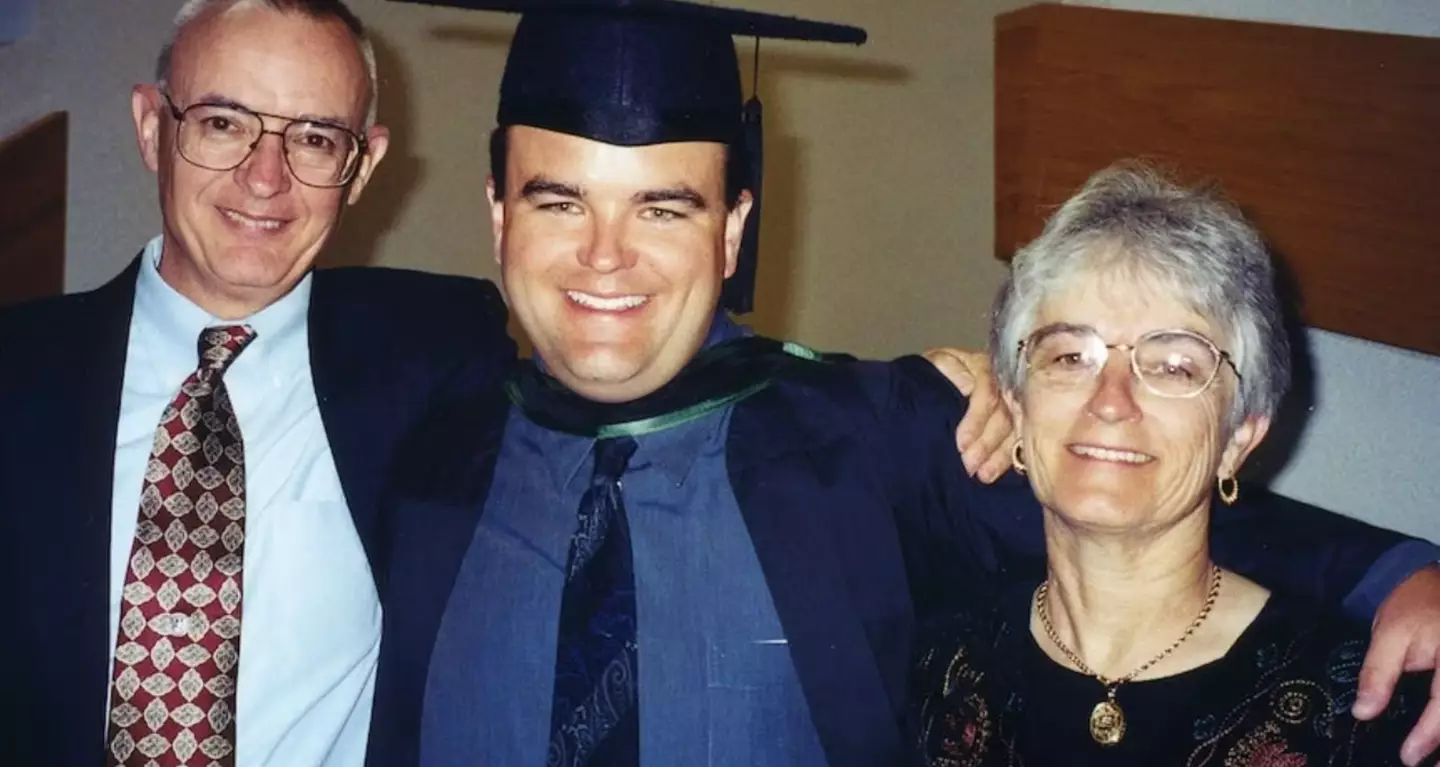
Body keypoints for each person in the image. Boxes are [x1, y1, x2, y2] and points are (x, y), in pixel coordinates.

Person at [373, 2, 1440, 766]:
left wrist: (1395, 577)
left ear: (734, 225)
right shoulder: (415, 445)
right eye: (560, 201)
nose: (606, 258)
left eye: (663, 206)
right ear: (501, 213)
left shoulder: (871, 437)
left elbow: (1132, 491)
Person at [0, 1, 518, 765]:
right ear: (153, 128)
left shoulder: (439, 355)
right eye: (222, 122)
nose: (265, 177)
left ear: (363, 165)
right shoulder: (16, 376)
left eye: (313, 137)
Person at [911, 164, 1435, 766]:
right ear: (1016, 407)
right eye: (1070, 356)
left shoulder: (1366, 714)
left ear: (1238, 437)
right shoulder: (936, 673)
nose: (1111, 401)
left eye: (1174, 367)